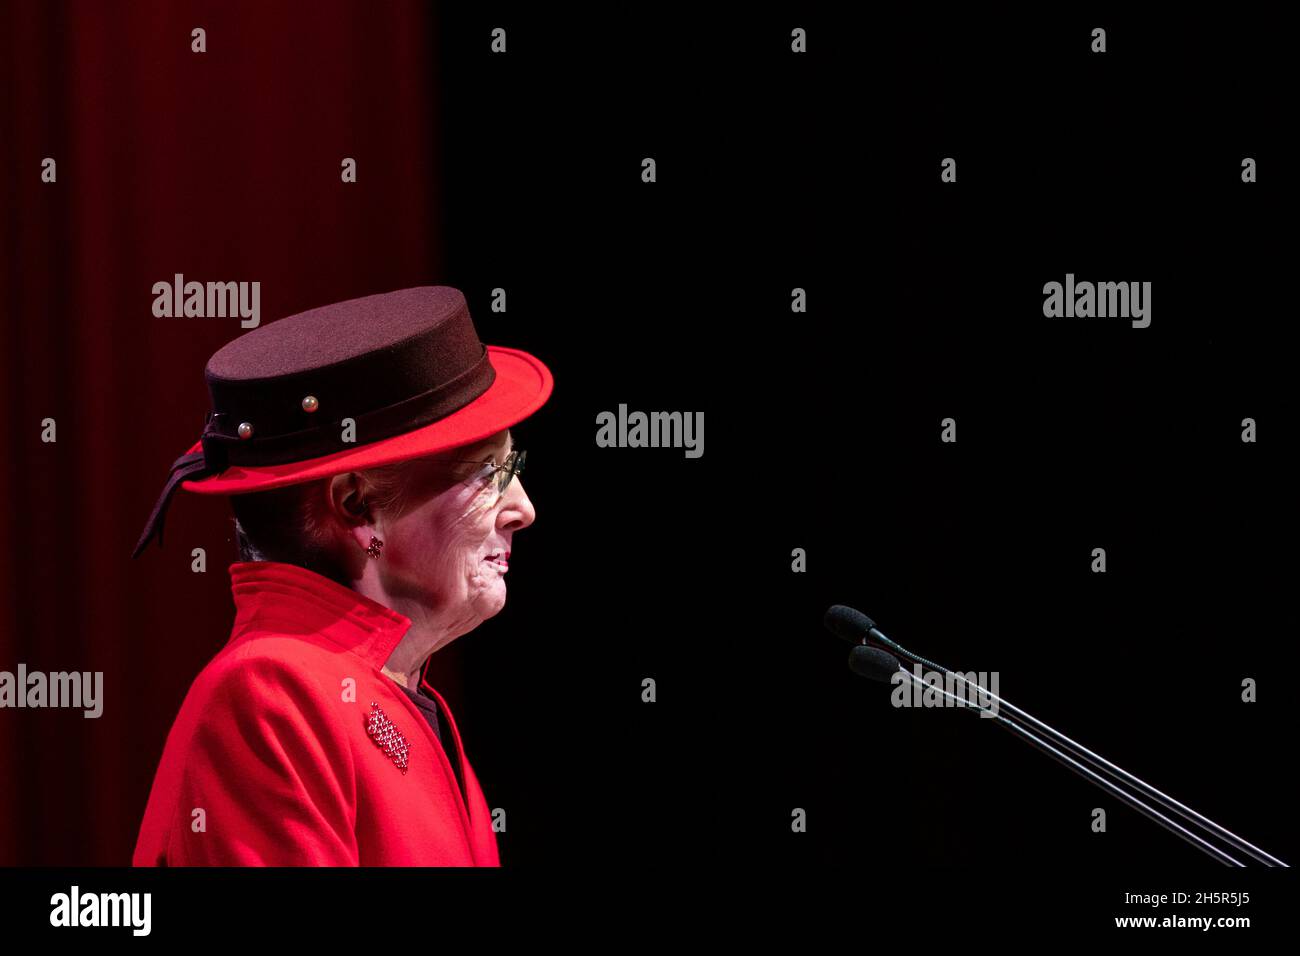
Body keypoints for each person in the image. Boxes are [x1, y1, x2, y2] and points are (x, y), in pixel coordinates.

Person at [129, 286, 553, 865]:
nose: (524, 509)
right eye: (488, 474)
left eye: (515, 468)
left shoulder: (393, 691)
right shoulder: (271, 691)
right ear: (356, 505)